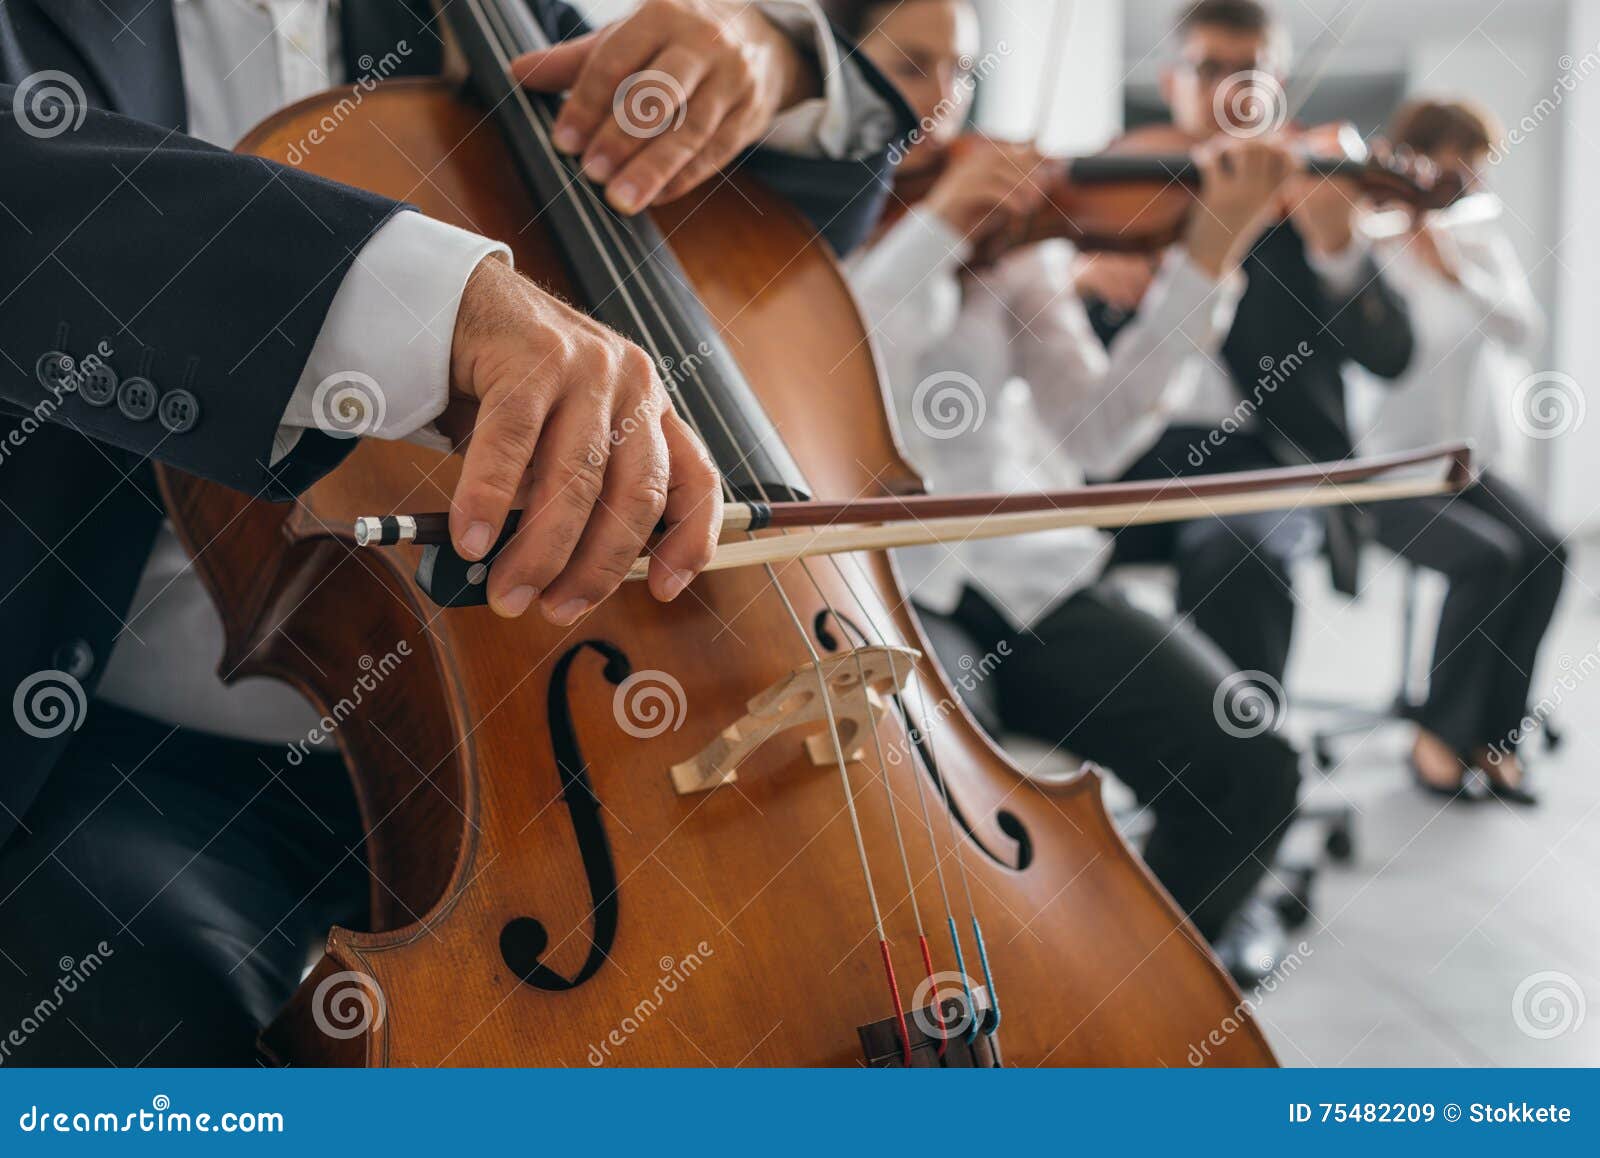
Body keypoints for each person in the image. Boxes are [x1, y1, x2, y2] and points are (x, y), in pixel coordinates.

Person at [0, 0, 909, 1063]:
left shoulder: (468, 17)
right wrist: (432, 308)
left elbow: (751, 250)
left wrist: (782, 63)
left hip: (559, 751)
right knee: (119, 1021)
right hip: (136, 742)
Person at [845, 0, 1305, 982]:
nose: (940, 97)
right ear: (836, 63)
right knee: (920, 817)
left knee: (1250, 769)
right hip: (883, 593)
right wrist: (935, 220)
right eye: (909, 63)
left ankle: (1119, 1005)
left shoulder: (1015, 243)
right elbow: (828, 353)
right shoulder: (789, 220)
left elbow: (1094, 433)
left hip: (1027, 572)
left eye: (960, 72)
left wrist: (1206, 261)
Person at [1094, 0, 1415, 701]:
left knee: (1239, 558)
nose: (1231, 91)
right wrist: (1075, 275)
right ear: (1173, 80)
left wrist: (1339, 249)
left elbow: (1391, 353)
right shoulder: (1114, 190)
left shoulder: (1311, 196)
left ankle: (1235, 778)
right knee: (1027, 564)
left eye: (1252, 72)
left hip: (1262, 463)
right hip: (1120, 456)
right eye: (1210, 68)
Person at [1349, 97, 1561, 803]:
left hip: (1465, 466)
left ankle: (1495, 736)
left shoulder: (1478, 245)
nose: (1471, 178)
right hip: (1382, 475)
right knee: (1488, 558)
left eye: (1478, 166)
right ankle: (1438, 735)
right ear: (1418, 161)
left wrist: (1454, 272)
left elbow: (1521, 331)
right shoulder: (1370, 246)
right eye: (1460, 161)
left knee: (1548, 549)